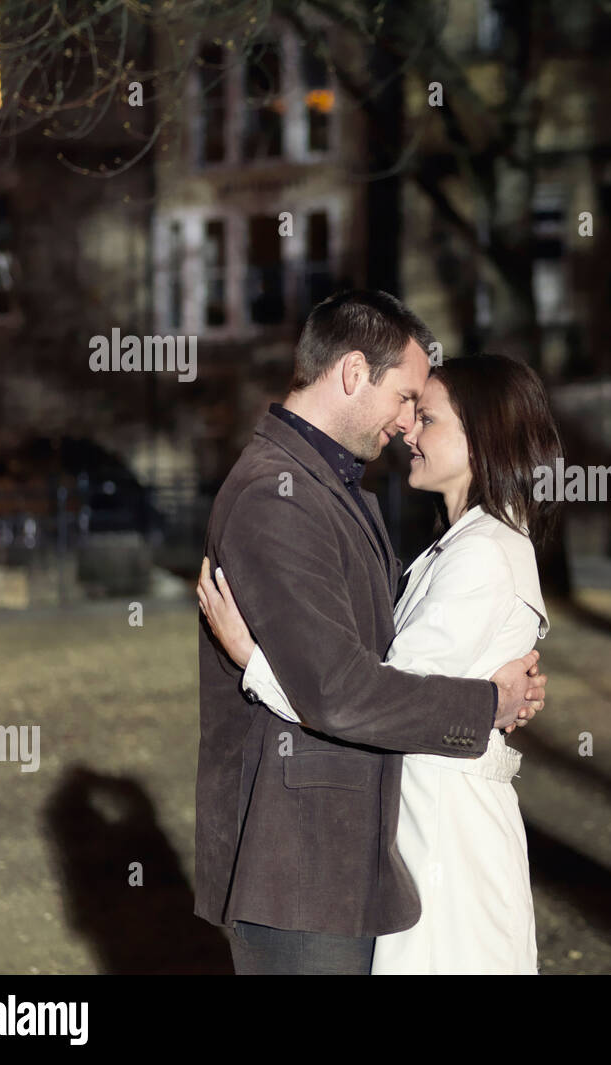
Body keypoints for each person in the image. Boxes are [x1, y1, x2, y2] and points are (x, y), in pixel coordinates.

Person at [194, 292, 547, 975]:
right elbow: (342, 691)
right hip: (301, 869)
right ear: (354, 372)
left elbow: (376, 669)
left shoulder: (339, 491)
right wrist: (487, 705)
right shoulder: (279, 494)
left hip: (363, 863)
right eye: (407, 397)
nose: (408, 422)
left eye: (426, 410)